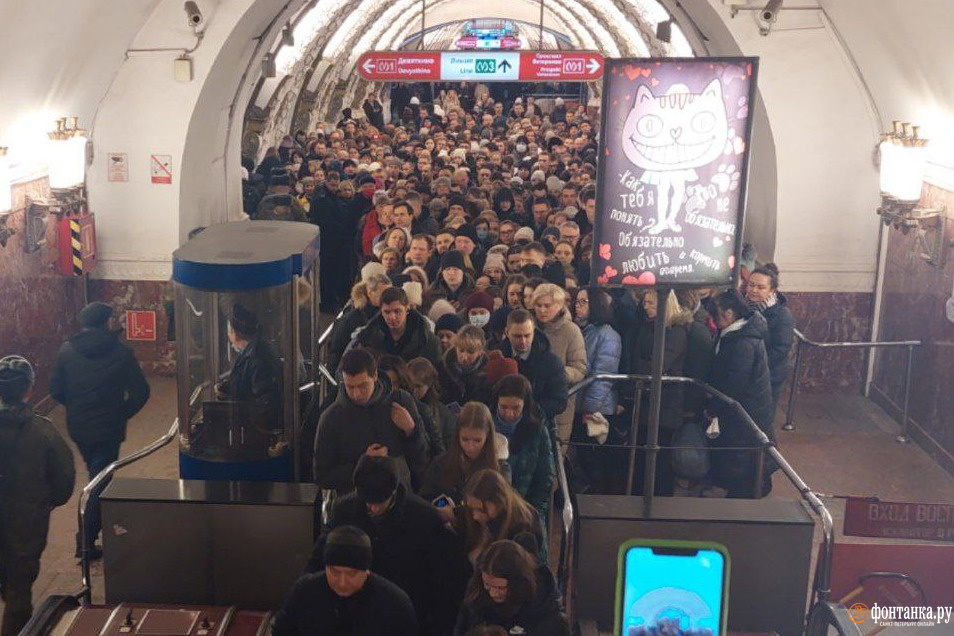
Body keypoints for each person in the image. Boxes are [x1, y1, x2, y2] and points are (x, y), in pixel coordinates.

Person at [306, 457, 463, 636]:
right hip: (356, 610)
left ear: (394, 492)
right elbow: (321, 554)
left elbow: (441, 582)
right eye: (367, 501)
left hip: (407, 613)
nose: (372, 508)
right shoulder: (345, 510)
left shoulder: (423, 518)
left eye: (379, 502)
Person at [50, 301, 150, 558]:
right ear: (107, 322)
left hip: (78, 427)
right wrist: (120, 413)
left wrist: (77, 408)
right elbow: (141, 392)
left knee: (96, 474)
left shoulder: (66, 350)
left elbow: (56, 390)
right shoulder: (121, 353)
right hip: (108, 428)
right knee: (100, 480)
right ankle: (85, 541)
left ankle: (92, 533)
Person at [0, 356, 75, 636]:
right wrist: (43, 502)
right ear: (29, 390)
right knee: (19, 589)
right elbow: (64, 482)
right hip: (26, 522)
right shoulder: (44, 431)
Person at [314, 348, 428, 494]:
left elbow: (422, 456)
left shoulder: (401, 401)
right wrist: (362, 463)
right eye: (350, 387)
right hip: (354, 504)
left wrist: (411, 430)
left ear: (374, 375)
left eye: (362, 386)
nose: (356, 394)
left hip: (399, 498)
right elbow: (322, 476)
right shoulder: (331, 418)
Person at [273, 526, 418, 636]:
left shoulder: (395, 603)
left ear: (366, 570)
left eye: (351, 574)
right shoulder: (305, 591)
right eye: (335, 572)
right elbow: (282, 631)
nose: (342, 582)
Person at [706, 290, 776, 498]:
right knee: (743, 455)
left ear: (728, 314)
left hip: (747, 411)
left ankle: (748, 491)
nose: (712, 319)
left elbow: (734, 384)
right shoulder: (736, 333)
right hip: (745, 410)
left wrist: (714, 408)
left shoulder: (743, 342)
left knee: (744, 457)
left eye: (715, 314)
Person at [455, 540, 570, 636]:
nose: (493, 593)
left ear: (517, 584)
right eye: (487, 585)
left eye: (500, 587)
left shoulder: (546, 613)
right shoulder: (476, 602)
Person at [420, 402, 507, 520]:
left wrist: (457, 516)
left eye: (477, 440)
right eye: (465, 439)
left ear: (487, 438)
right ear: (457, 436)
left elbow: (501, 512)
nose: (470, 446)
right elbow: (424, 499)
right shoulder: (440, 463)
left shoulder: (500, 469)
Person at [492, 375, 554, 522]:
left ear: (525, 405)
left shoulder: (537, 431)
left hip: (524, 510)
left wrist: (533, 513)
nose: (509, 414)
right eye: (503, 407)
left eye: (516, 408)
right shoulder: (486, 425)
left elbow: (545, 478)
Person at [530, 284, 586, 442]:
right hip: (531, 396)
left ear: (559, 305)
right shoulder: (528, 328)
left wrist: (557, 373)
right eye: (538, 305)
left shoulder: (571, 331)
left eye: (547, 306)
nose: (542, 310)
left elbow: (579, 369)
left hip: (558, 400)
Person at [456, 469, 545, 566]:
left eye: (481, 510)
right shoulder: (474, 515)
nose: (475, 516)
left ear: (499, 501)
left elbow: (522, 572)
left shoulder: (523, 528)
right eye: (471, 509)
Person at [500, 309, 568, 425]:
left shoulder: (551, 362)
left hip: (537, 424)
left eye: (527, 335)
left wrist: (530, 412)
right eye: (517, 336)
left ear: (534, 332)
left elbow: (559, 401)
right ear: (507, 332)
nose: (523, 341)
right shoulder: (498, 357)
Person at [745, 263, 795, 421]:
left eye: (760, 287)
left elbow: (780, 349)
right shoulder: (742, 306)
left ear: (772, 290)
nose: (754, 290)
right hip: (746, 373)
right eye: (751, 285)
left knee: (762, 419)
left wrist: (756, 366)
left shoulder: (782, 315)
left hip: (768, 376)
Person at [215, 303, 283, 414]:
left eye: (228, 330)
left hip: (254, 427)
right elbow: (245, 384)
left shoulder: (257, 357)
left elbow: (264, 403)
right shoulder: (251, 350)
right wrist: (227, 388)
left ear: (234, 332)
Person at [351, 287, 442, 368]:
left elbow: (435, 377)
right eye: (387, 312)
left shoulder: (427, 340)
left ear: (407, 309)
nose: (392, 317)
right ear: (381, 312)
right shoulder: (368, 337)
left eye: (397, 311)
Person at [407, 357, 457, 448]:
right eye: (408, 384)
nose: (412, 390)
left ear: (429, 386)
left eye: (418, 386)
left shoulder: (444, 415)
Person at [441, 325, 492, 407]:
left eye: (470, 352)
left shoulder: (487, 373)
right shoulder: (442, 369)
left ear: (480, 352)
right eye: (461, 350)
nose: (464, 356)